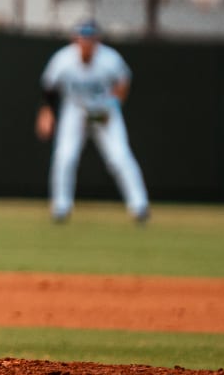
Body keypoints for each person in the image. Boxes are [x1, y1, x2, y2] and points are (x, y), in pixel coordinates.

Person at [35, 20, 150, 224]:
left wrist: (113, 105)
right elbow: (49, 87)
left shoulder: (110, 58)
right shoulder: (63, 59)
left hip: (103, 109)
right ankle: (61, 207)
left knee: (119, 156)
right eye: (82, 38)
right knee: (65, 156)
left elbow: (123, 82)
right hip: (75, 110)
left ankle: (139, 206)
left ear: (97, 40)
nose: (86, 43)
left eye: (90, 38)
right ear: (75, 39)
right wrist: (47, 113)